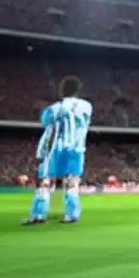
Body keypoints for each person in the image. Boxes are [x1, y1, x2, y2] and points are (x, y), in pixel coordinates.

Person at [23, 76, 92, 225]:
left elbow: (45, 121)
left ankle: (38, 214)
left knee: (45, 181)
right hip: (77, 150)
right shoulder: (87, 106)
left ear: (62, 90)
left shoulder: (56, 108)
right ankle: (72, 214)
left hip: (57, 149)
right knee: (71, 183)